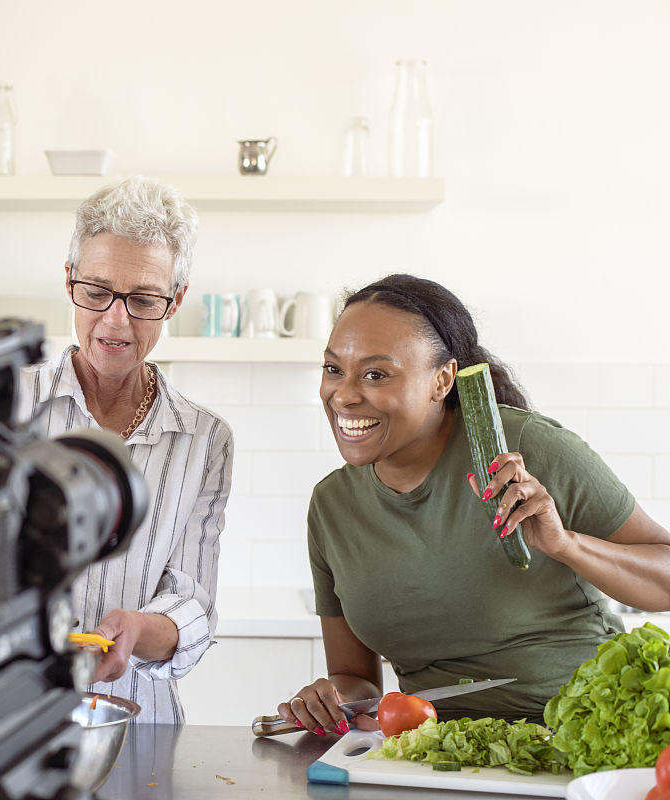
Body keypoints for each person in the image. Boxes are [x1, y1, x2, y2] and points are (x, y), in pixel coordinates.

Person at [278, 273, 670, 737]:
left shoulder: (526, 450)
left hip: (588, 733)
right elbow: (357, 678)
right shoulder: (332, 506)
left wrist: (566, 545)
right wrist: (329, 700)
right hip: (440, 752)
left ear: (442, 380)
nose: (343, 395)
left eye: (376, 374)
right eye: (332, 369)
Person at [23, 175, 232, 724]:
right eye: (96, 293)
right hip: (10, 719)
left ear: (175, 301)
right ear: (69, 280)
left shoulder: (205, 438)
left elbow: (194, 602)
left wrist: (139, 630)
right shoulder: (4, 409)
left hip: (139, 722)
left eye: (142, 299)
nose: (115, 321)